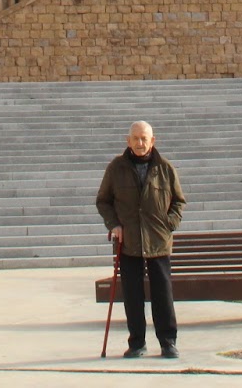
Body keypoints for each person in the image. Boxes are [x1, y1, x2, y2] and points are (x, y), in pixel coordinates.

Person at [96, 120, 186, 360]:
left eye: (144, 138)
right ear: (128, 141)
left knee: (162, 295)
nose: (140, 142)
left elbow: (178, 201)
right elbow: (103, 201)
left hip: (158, 242)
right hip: (129, 243)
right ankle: (136, 342)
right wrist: (114, 224)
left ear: (152, 141)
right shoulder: (116, 168)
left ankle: (168, 342)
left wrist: (169, 225)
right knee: (133, 296)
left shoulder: (165, 168)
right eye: (135, 138)